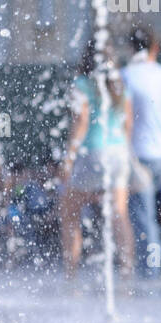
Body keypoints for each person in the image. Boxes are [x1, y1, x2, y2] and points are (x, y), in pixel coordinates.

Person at [59, 37, 135, 277]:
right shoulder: (120, 84)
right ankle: (126, 269)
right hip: (119, 151)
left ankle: (71, 270)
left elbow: (81, 120)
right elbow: (128, 123)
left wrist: (69, 158)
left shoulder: (81, 84)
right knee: (119, 214)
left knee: (69, 212)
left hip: (93, 151)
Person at [122, 25, 161, 277]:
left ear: (129, 48)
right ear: (156, 48)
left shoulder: (125, 75)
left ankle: (150, 269)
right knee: (150, 214)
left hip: (140, 156)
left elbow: (123, 120)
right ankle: (152, 262)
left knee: (143, 217)